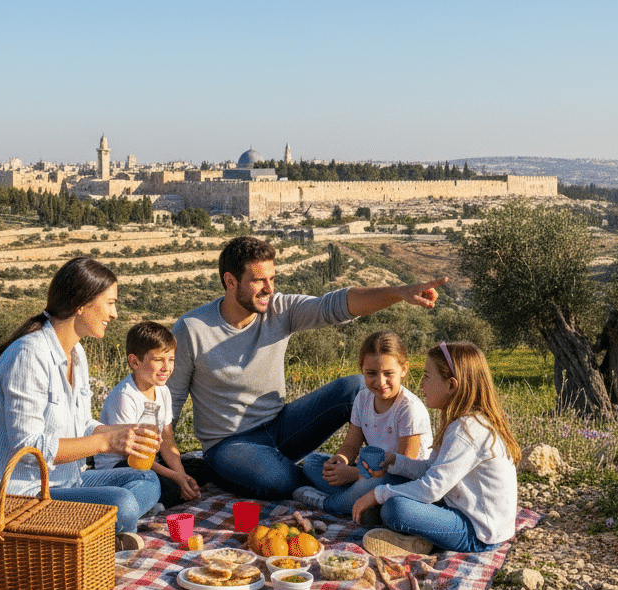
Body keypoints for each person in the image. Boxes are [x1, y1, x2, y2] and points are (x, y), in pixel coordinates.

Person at [167, 235, 447, 500]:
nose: (269, 289)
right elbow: (169, 404)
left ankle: (378, 470)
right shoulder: (192, 329)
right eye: (259, 281)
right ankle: (350, 480)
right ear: (230, 281)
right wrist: (175, 471)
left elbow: (335, 305)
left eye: (272, 279)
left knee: (356, 387)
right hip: (229, 445)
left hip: (282, 426)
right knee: (277, 480)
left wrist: (399, 293)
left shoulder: (278, 309)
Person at [0, 257, 162, 550]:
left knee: (146, 480)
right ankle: (98, 541)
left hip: (65, 484)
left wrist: (122, 433)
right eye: (110, 303)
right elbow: (28, 448)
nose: (114, 314)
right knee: (123, 503)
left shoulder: (76, 354)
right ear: (81, 304)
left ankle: (93, 537)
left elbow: (81, 426)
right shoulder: (29, 355)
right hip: (16, 497)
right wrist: (107, 443)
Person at [351, 340, 521, 556]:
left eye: (427, 376)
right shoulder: (460, 422)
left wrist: (379, 493)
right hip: (457, 509)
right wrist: (395, 461)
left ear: (451, 385)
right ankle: (415, 539)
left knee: (396, 508)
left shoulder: (467, 430)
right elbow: (430, 469)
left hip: (479, 533)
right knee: (391, 497)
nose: (421, 383)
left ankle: (419, 539)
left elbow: (431, 489)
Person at [293, 330, 432, 518]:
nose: (380, 382)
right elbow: (351, 445)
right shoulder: (363, 399)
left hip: (398, 481)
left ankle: (327, 503)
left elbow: (404, 467)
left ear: (404, 369)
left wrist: (354, 474)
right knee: (313, 462)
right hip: (366, 472)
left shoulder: (409, 408)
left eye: (388, 373)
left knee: (374, 485)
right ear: (362, 369)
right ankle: (360, 504)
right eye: (371, 373)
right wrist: (340, 461)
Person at [95, 321, 215, 508]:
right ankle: (153, 502)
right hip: (122, 466)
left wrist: (182, 476)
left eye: (171, 359)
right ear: (135, 362)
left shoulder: (163, 391)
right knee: (167, 486)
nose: (167, 367)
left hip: (150, 462)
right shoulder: (125, 396)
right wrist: (175, 478)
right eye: (159, 360)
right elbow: (132, 455)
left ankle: (164, 496)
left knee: (204, 469)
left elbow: (167, 440)